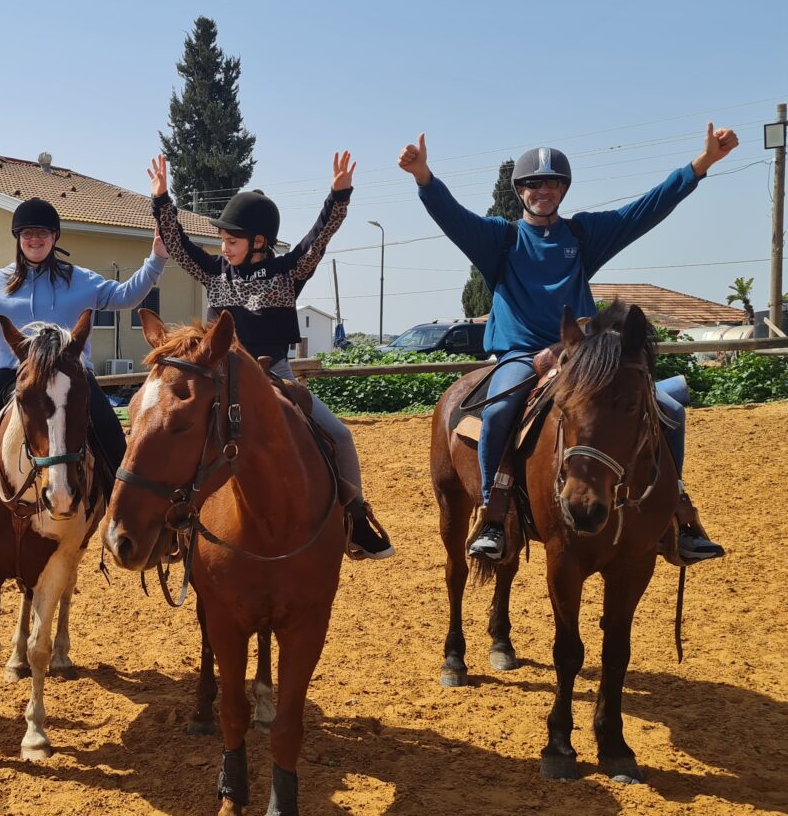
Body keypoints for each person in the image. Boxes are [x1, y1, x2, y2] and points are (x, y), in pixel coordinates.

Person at [399, 125, 737, 563]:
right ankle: (494, 513)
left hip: (582, 356)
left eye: (553, 183)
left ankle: (677, 512)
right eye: (533, 184)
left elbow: (644, 210)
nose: (544, 190)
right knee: (501, 409)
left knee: (669, 408)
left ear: (564, 190)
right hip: (521, 355)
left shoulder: (582, 237)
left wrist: (701, 164)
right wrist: (424, 177)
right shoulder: (500, 239)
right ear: (519, 190)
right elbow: (453, 216)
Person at [149, 153, 395, 559]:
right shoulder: (213, 272)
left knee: (340, 435)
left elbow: (320, 237)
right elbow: (177, 243)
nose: (223, 248)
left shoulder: (288, 272)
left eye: (231, 241)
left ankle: (355, 518)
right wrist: (161, 200)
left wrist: (339, 195)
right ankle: (172, 525)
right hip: (218, 376)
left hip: (274, 374)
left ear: (259, 242)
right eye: (223, 241)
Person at [0, 198, 168, 543]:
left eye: (42, 233)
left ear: (54, 236)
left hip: (72, 376)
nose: (35, 239)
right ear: (17, 237)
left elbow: (126, 295)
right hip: (15, 374)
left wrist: (157, 259)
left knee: (110, 433)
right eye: (28, 233)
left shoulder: (82, 280)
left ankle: (123, 508)